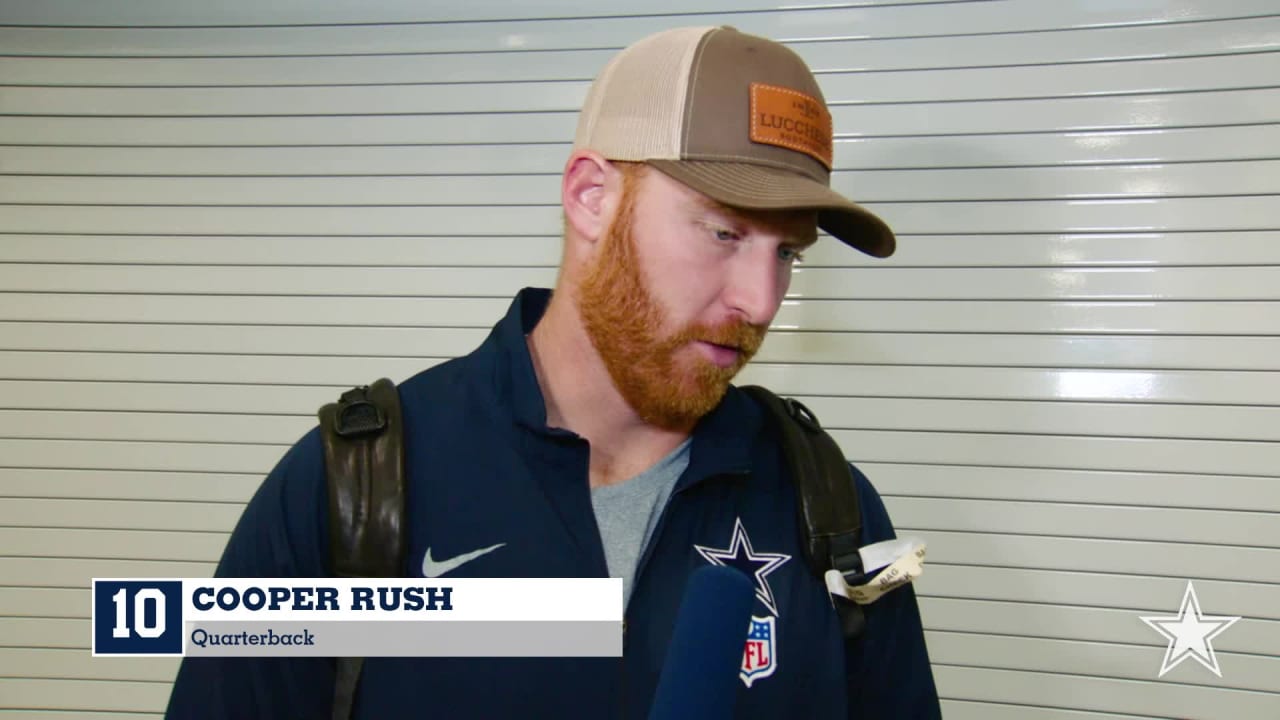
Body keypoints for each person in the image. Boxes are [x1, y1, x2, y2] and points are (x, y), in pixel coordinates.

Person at [166, 25, 941, 719]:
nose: (761, 300)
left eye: (787, 254)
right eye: (724, 231)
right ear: (591, 197)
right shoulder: (356, 490)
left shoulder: (827, 506)